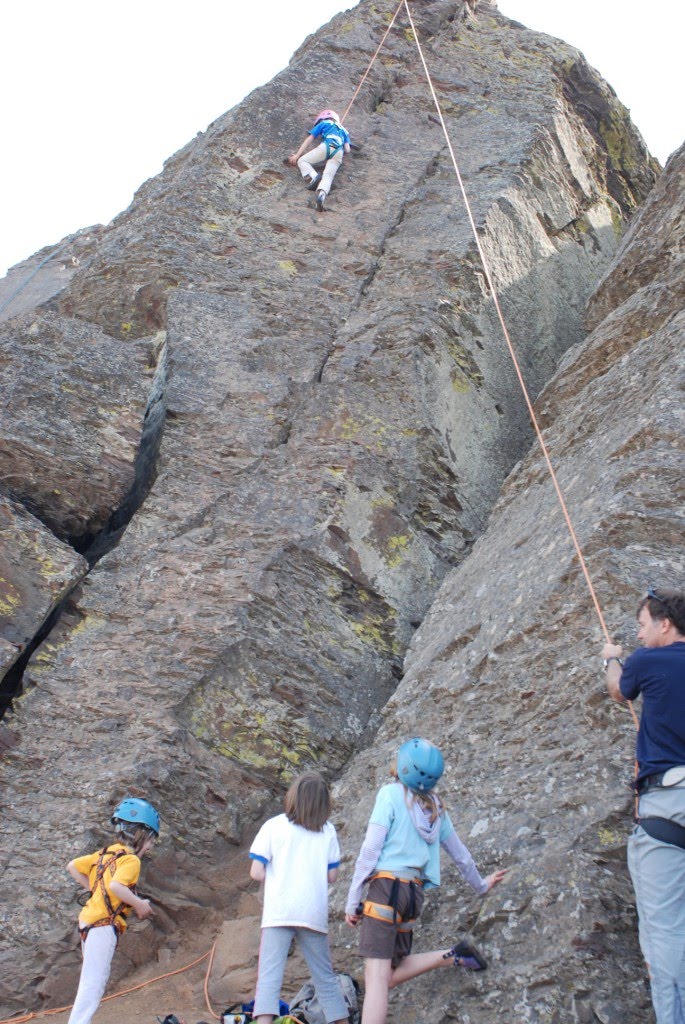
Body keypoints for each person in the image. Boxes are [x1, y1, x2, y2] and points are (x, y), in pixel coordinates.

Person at [344, 738, 507, 1024]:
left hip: (385, 889)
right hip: (413, 895)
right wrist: (481, 885)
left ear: (404, 766)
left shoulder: (390, 795)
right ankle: (452, 955)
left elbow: (370, 850)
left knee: (376, 980)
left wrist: (352, 898)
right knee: (389, 976)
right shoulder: (437, 808)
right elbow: (460, 854)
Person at [604, 586, 685, 1024]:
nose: (638, 634)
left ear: (664, 623)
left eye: (641, 625)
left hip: (668, 806)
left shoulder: (646, 661)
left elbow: (619, 691)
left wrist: (610, 656)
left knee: (664, 932)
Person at [249, 771, 349, 1024]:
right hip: (312, 911)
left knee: (269, 978)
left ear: (293, 797)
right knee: (324, 977)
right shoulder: (327, 831)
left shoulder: (273, 826)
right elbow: (333, 875)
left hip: (279, 911)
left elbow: (256, 872)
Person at [66, 797, 160, 1024]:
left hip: (88, 920)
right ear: (142, 834)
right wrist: (139, 904)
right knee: (94, 983)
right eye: (151, 842)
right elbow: (116, 886)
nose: (150, 847)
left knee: (93, 978)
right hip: (103, 924)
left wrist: (95, 889)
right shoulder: (131, 861)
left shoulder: (105, 853)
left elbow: (72, 866)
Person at [288, 109, 351, 212]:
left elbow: (310, 138)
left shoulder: (324, 123)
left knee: (302, 161)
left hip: (326, 146)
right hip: (339, 152)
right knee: (328, 176)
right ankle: (321, 196)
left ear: (322, 118)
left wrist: (297, 155)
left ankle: (314, 176)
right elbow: (348, 150)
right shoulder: (344, 131)